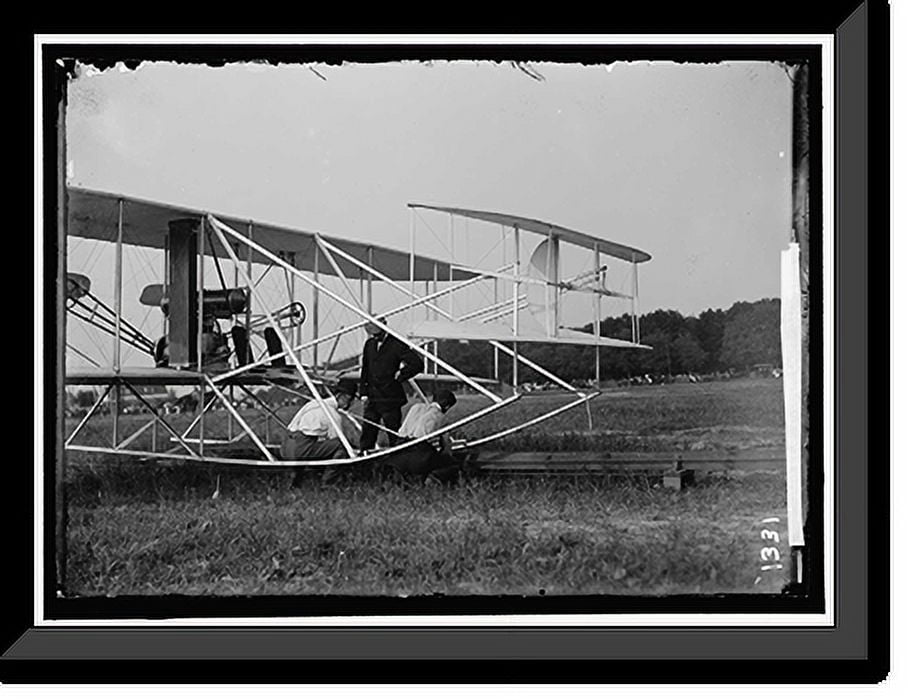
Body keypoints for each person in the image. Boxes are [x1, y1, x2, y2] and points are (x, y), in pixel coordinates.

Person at [358, 317, 423, 451]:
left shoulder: (396, 344)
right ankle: (364, 460)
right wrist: (363, 393)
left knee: (393, 431)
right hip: (372, 397)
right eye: (373, 334)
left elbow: (417, 364)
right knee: (368, 432)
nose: (375, 337)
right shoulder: (369, 344)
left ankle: (397, 460)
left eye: (378, 334)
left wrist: (400, 375)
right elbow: (366, 369)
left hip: (390, 397)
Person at [281, 378, 360, 485]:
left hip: (286, 446)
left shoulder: (313, 403)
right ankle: (329, 482)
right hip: (300, 449)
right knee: (340, 447)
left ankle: (296, 480)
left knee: (316, 445)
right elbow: (338, 440)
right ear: (344, 397)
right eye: (350, 399)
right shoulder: (333, 415)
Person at [383, 389, 464, 483]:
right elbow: (445, 447)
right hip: (419, 455)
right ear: (447, 406)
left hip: (398, 454)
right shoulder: (440, 417)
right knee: (453, 464)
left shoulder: (416, 407)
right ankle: (431, 479)